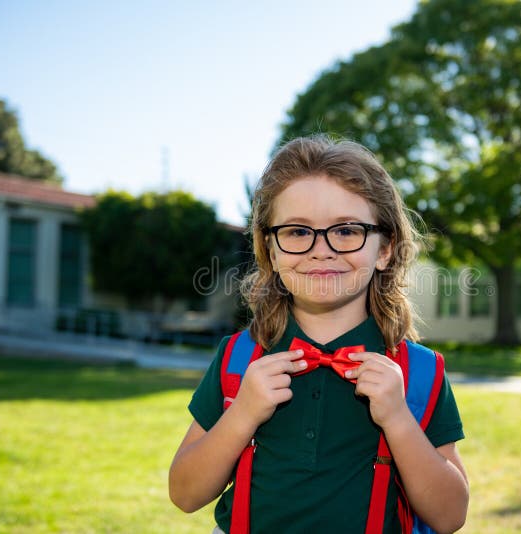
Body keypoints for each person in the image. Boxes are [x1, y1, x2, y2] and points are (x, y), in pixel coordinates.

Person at [169, 135, 469, 533]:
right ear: (270, 250)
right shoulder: (238, 359)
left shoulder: (419, 372)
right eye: (296, 231)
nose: (320, 249)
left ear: (384, 249)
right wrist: (242, 414)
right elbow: (185, 494)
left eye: (346, 230)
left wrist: (398, 419)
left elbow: (450, 517)